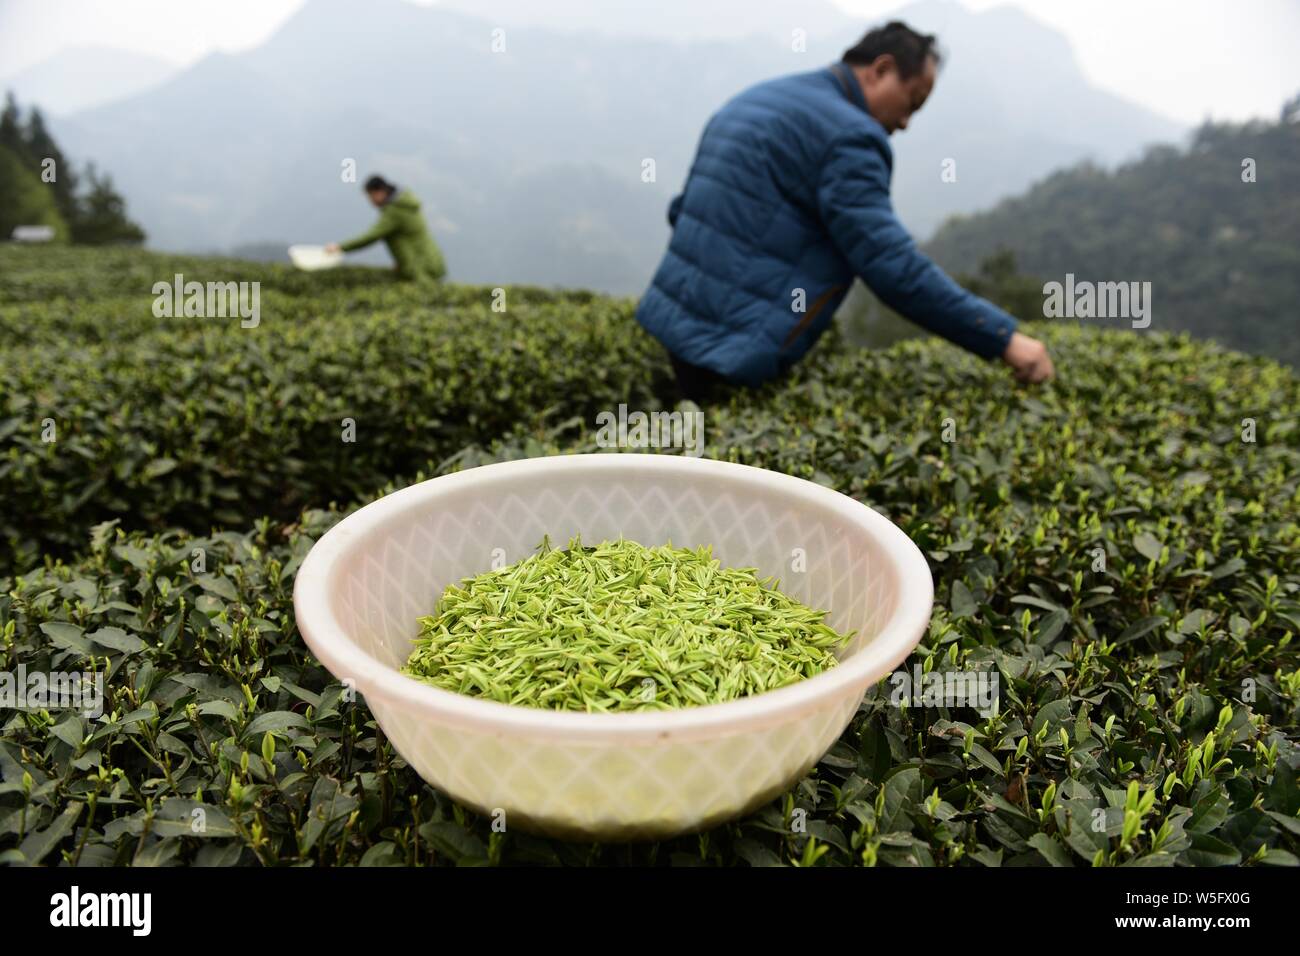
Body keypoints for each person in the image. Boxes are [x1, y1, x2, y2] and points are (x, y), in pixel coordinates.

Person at [636, 21, 1054, 403]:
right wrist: (1003, 338)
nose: (906, 123)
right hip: (733, 354)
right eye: (912, 102)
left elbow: (684, 209)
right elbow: (892, 266)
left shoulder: (756, 98)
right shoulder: (851, 137)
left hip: (677, 328)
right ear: (881, 69)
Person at [326, 175, 446, 281]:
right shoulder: (403, 204)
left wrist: (340, 247)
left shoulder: (394, 212)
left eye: (371, 196)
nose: (370, 201)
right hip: (431, 261)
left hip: (421, 269)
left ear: (380, 192)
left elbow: (370, 237)